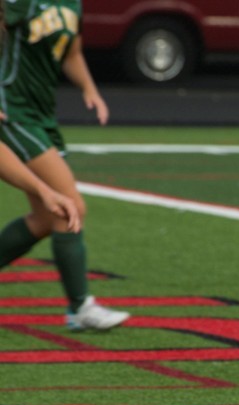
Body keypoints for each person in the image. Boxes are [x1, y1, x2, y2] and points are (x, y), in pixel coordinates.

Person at [0, 0, 130, 331]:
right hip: (13, 112)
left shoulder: (72, 3)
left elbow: (71, 53)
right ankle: (80, 307)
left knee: (47, 216)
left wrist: (89, 88)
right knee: (69, 207)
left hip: (42, 117)